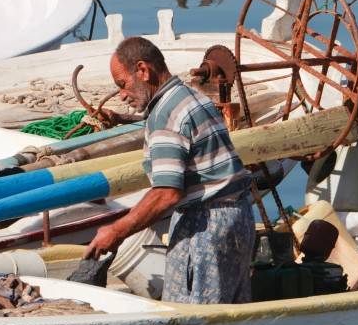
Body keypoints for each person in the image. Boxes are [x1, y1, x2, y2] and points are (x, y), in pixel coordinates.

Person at [84, 36, 255, 303]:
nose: (122, 94)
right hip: (237, 217)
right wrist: (122, 119)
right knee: (228, 316)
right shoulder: (188, 97)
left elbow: (167, 193)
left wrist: (116, 231)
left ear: (142, 70)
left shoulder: (166, 116)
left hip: (205, 226)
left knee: (195, 323)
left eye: (122, 84)